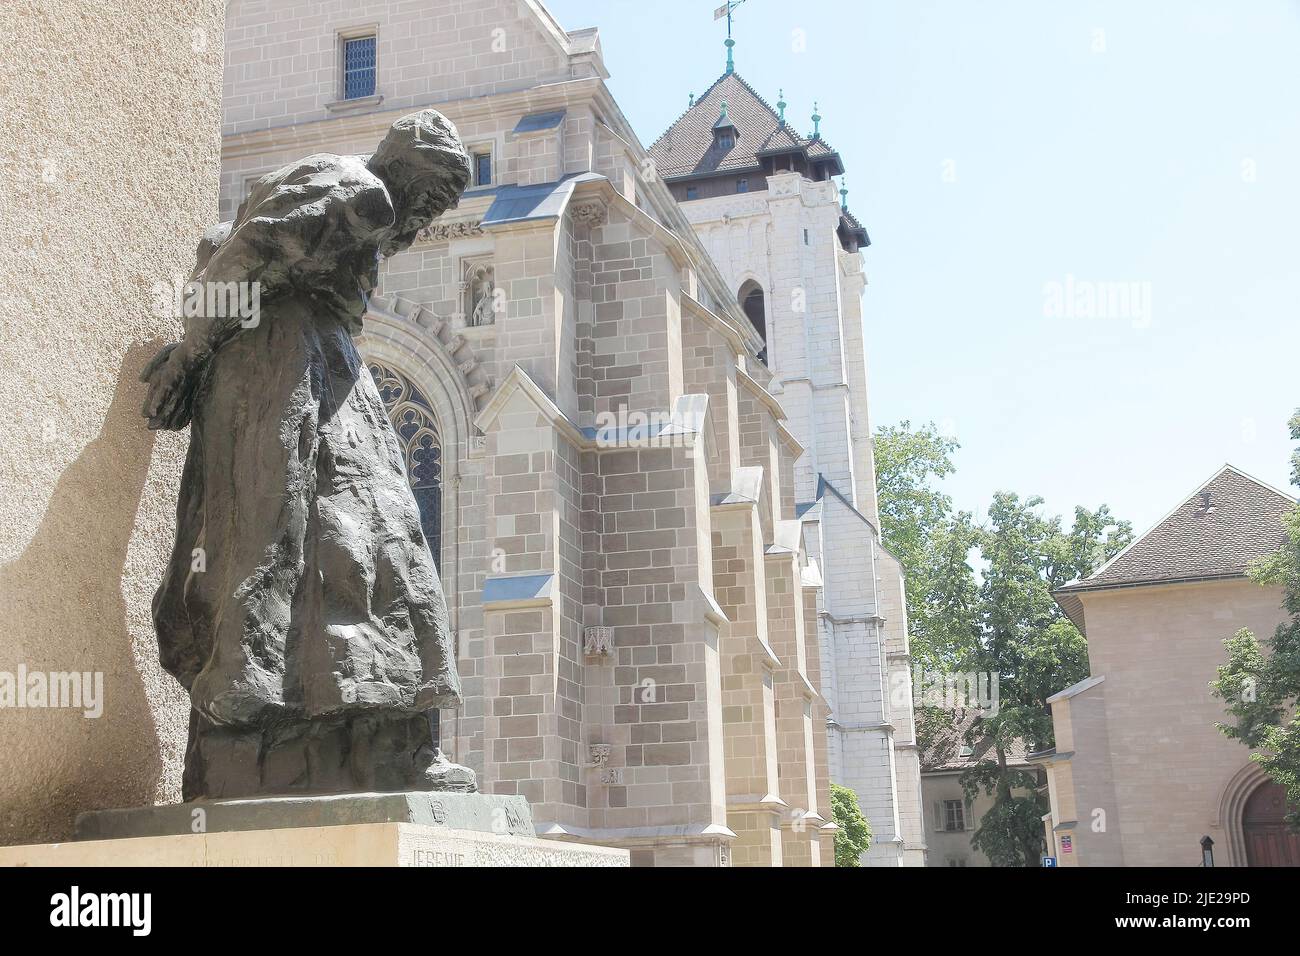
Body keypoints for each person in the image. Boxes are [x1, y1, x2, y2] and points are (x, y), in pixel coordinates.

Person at [141, 110, 475, 799]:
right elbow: (246, 252)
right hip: (293, 368)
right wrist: (191, 355)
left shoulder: (343, 186)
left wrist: (198, 354)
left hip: (308, 369)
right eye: (438, 196)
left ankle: (372, 745)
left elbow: (232, 243)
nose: (433, 215)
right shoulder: (365, 193)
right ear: (412, 173)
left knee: (354, 546)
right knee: (359, 542)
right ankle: (372, 746)